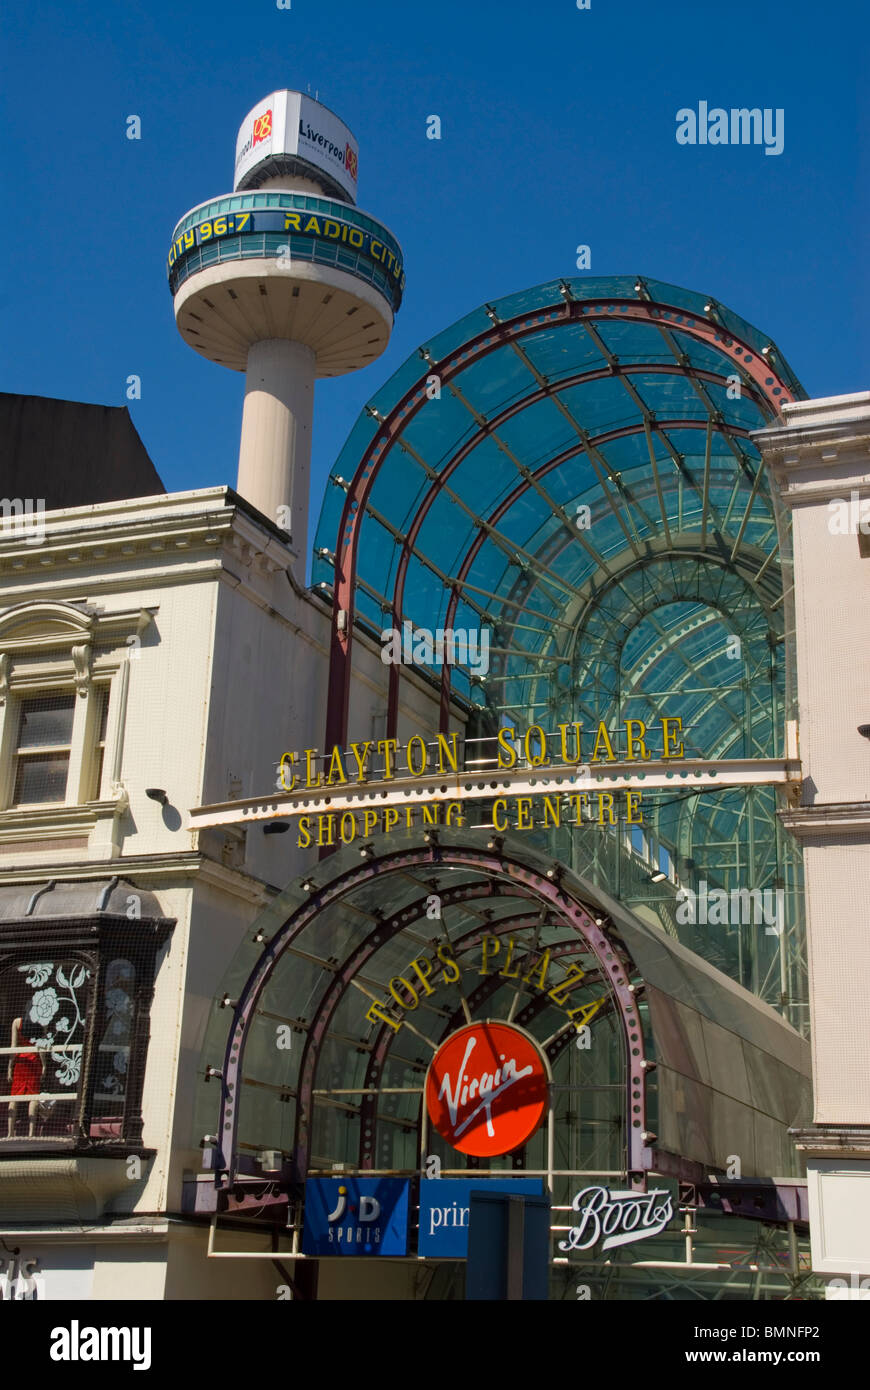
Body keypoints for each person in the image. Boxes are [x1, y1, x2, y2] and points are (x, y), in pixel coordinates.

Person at [6, 1017, 45, 1139]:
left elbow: (14, 1046)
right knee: (33, 1098)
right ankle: (31, 1134)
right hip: (34, 1062)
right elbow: (41, 1047)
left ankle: (10, 1133)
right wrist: (44, 1065)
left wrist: (10, 1066)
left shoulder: (17, 1022)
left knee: (14, 1097)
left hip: (21, 1062)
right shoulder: (43, 1021)